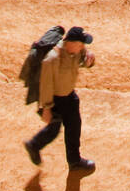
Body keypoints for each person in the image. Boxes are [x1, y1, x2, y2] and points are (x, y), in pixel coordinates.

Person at [24, 26, 96, 172]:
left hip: (70, 96)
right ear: (71, 42)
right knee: (54, 129)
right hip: (54, 99)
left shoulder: (77, 50)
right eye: (81, 44)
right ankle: (34, 145)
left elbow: (83, 60)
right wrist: (46, 108)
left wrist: (90, 61)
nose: (83, 47)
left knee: (74, 127)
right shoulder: (52, 59)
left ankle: (74, 161)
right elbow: (46, 84)